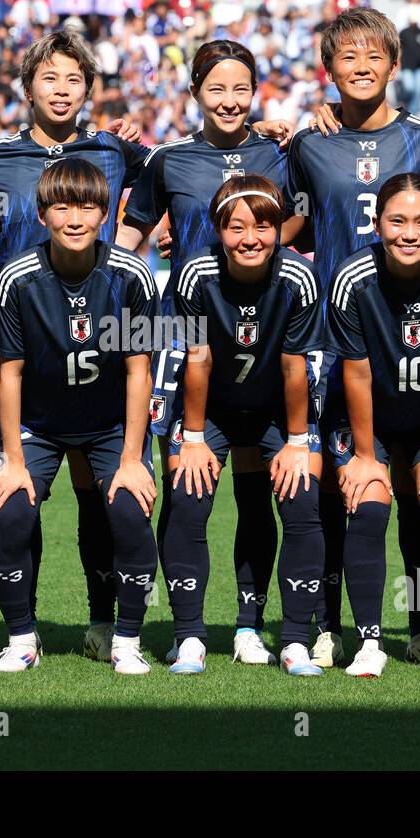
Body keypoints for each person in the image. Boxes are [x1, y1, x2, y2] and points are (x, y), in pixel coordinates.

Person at [0, 29, 147, 663]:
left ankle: (105, 625)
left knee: (102, 499)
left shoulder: (117, 150)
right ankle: (26, 630)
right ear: (28, 86)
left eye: (75, 79)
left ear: (89, 89)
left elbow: (179, 180)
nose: (62, 89)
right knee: (22, 497)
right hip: (23, 353)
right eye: (50, 78)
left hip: (100, 342)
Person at [286, 6, 420, 669]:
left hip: (415, 341)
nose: (361, 68)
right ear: (328, 69)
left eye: (373, 56)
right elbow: (290, 225)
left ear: (394, 64)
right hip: (334, 343)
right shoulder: (307, 144)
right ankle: (332, 624)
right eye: (346, 58)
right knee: (340, 488)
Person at [121, 40, 290, 665]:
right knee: (186, 484)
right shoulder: (170, 159)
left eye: (241, 88)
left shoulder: (280, 152)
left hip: (260, 335)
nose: (229, 100)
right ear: (195, 92)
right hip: (182, 337)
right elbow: (131, 232)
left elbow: (293, 222)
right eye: (216, 88)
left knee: (254, 487)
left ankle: (249, 624)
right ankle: (188, 630)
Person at [0, 159, 159, 674]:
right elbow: (9, 372)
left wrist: (132, 457)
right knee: (12, 513)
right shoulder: (18, 277)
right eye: (61, 207)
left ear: (106, 213)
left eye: (87, 206)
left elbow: (138, 371)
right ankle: (22, 638)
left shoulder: (130, 274)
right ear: (42, 215)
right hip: (37, 424)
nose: (75, 218)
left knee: (129, 511)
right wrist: (13, 460)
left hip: (109, 423)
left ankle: (125, 639)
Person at [162, 175, 325, 676]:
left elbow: (295, 367)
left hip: (278, 408)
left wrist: (298, 441)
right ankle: (188, 636)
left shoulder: (299, 277)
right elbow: (197, 360)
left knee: (299, 501)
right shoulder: (194, 274)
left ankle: (288, 637)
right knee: (187, 500)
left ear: (280, 228)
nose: (250, 238)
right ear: (217, 229)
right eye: (237, 227)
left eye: (264, 225)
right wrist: (191, 438)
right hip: (208, 407)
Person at [325, 173, 420, 678]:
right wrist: (367, 458)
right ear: (377, 224)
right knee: (368, 505)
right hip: (365, 417)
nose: (409, 233)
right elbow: (356, 371)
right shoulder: (353, 278)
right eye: (396, 221)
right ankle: (369, 641)